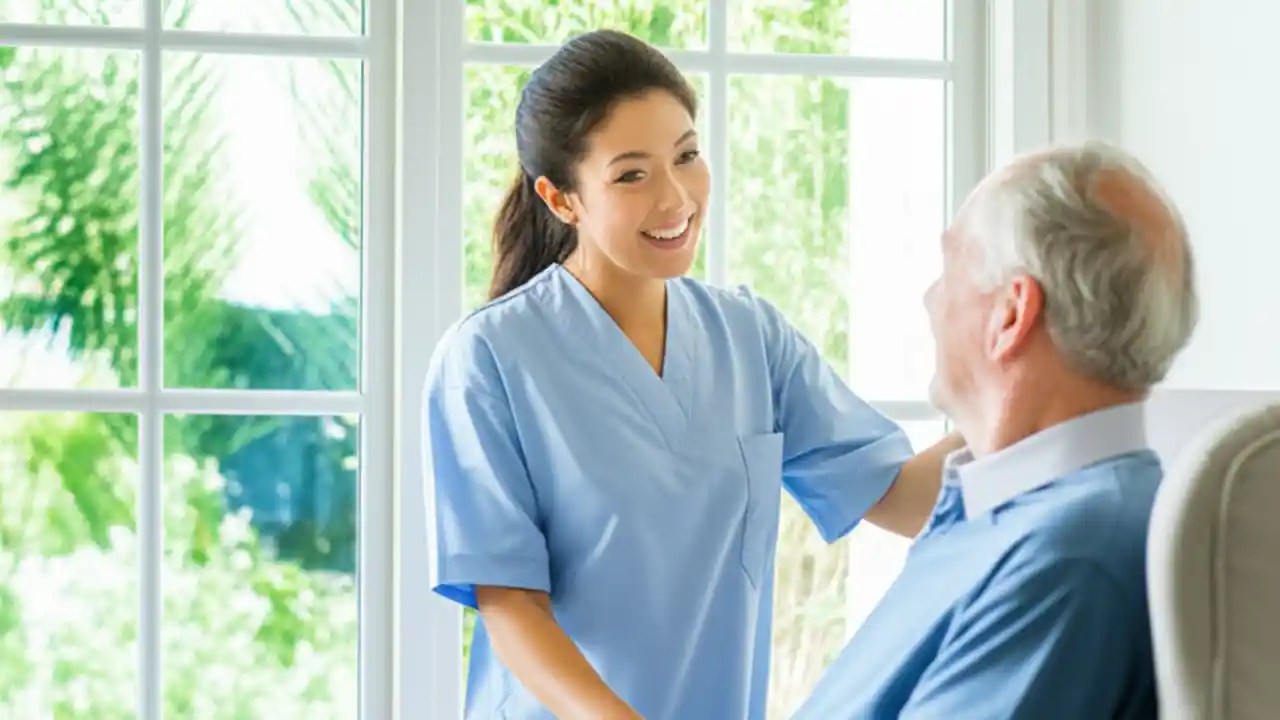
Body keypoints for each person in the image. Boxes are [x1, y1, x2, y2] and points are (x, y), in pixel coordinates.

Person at [423, 29, 961, 720]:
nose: (676, 197)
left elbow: (902, 495)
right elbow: (509, 602)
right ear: (561, 199)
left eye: (687, 156)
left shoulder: (750, 336)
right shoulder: (489, 358)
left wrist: (1037, 394)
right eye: (631, 174)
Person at [793, 142, 1199, 719]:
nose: (931, 299)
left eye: (951, 268)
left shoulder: (1069, 558)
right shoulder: (1010, 515)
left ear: (1011, 316)